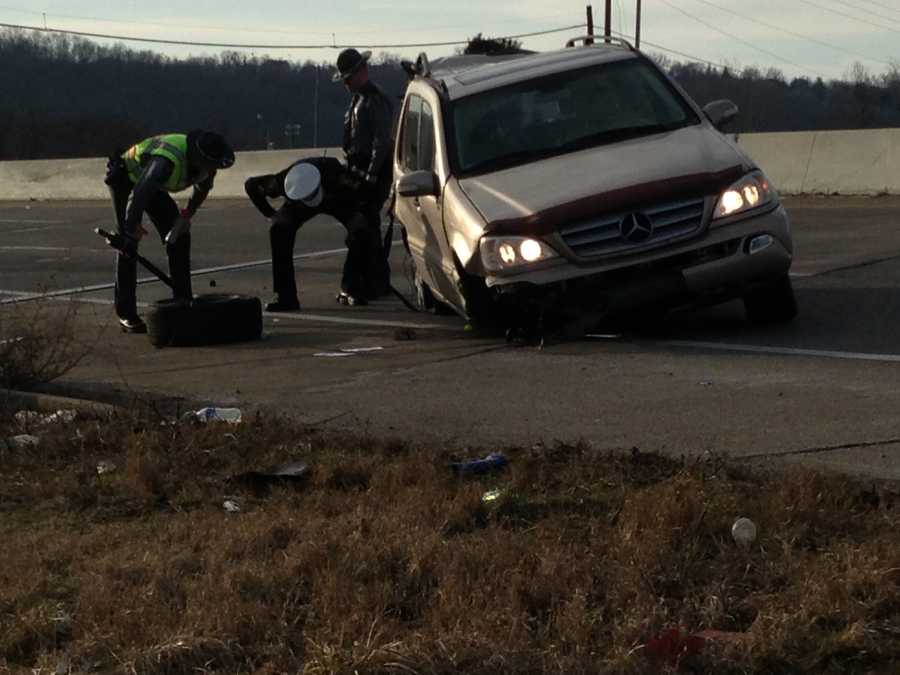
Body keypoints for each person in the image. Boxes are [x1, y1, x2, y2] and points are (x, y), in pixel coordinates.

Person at [104, 130, 234, 333]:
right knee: (127, 245)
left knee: (179, 235)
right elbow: (140, 191)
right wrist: (133, 225)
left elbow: (202, 190)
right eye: (210, 166)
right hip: (126, 177)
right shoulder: (166, 162)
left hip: (152, 185)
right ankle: (126, 313)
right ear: (197, 159)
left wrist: (186, 216)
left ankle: (182, 299)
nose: (213, 171)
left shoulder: (209, 165)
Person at [245, 156, 379, 310]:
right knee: (279, 230)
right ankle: (286, 297)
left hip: (337, 199)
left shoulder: (339, 176)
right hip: (299, 204)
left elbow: (368, 192)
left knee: (361, 231)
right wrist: (271, 215)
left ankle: (352, 288)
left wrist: (359, 222)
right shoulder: (284, 180)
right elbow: (251, 185)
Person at [333, 47, 395, 302]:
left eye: (350, 77)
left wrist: (370, 176)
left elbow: (381, 142)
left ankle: (360, 282)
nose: (346, 83)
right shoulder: (357, 99)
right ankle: (377, 281)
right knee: (368, 229)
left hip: (373, 174)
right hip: (358, 170)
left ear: (363, 72)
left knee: (363, 228)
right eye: (344, 79)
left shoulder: (375, 100)